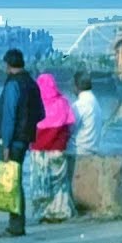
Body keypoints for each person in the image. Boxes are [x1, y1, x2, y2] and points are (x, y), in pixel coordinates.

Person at [0, 49, 44, 238]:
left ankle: (15, 225)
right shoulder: (32, 83)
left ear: (8, 64)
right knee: (16, 179)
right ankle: (16, 223)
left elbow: (9, 116)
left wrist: (6, 144)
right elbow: (40, 114)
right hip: (23, 139)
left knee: (11, 182)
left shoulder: (14, 84)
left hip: (12, 141)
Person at [30, 73, 77, 223]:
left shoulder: (34, 103)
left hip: (38, 150)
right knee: (59, 183)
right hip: (58, 149)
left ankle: (43, 211)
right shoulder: (63, 102)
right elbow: (70, 125)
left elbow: (29, 126)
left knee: (41, 181)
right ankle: (60, 210)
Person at [71, 71, 104, 155]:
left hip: (80, 150)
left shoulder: (80, 105)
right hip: (93, 148)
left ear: (76, 86)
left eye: (72, 85)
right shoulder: (94, 101)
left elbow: (69, 129)